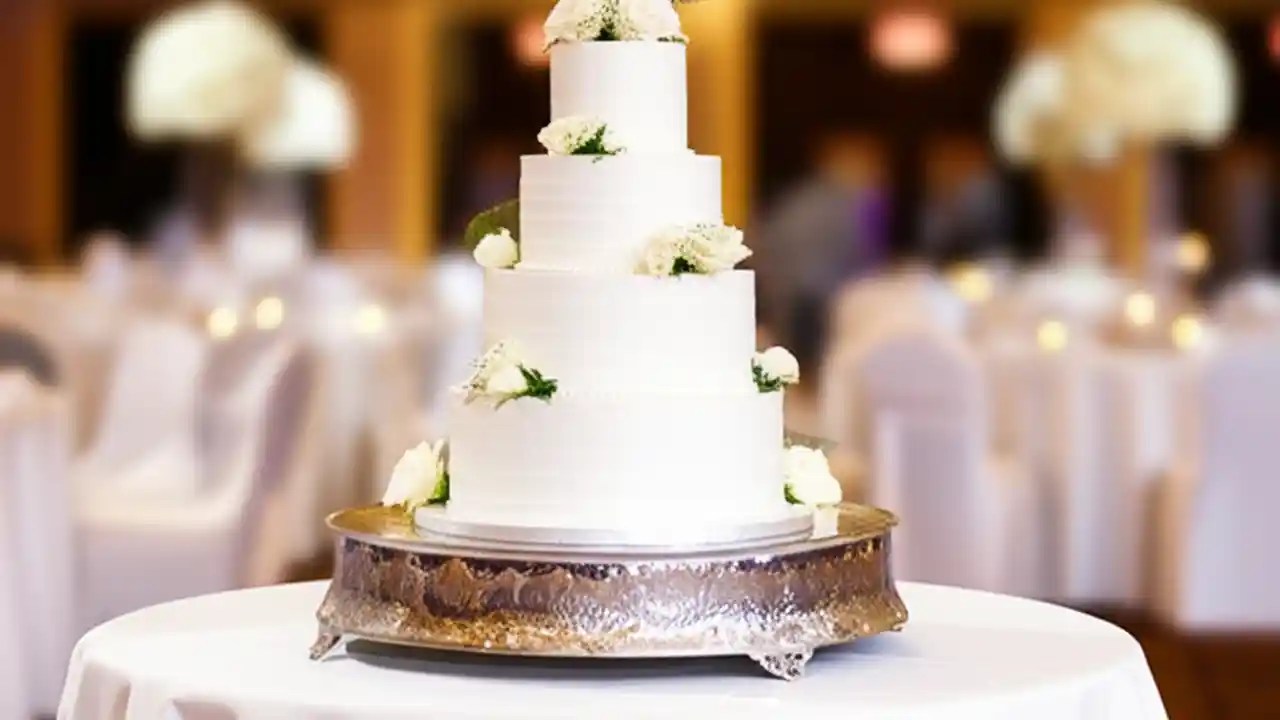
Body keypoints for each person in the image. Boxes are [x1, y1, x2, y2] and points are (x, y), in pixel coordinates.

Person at [756, 131, 890, 369]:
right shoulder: (859, 205)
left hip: (782, 304)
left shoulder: (796, 198)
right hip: (823, 310)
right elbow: (869, 265)